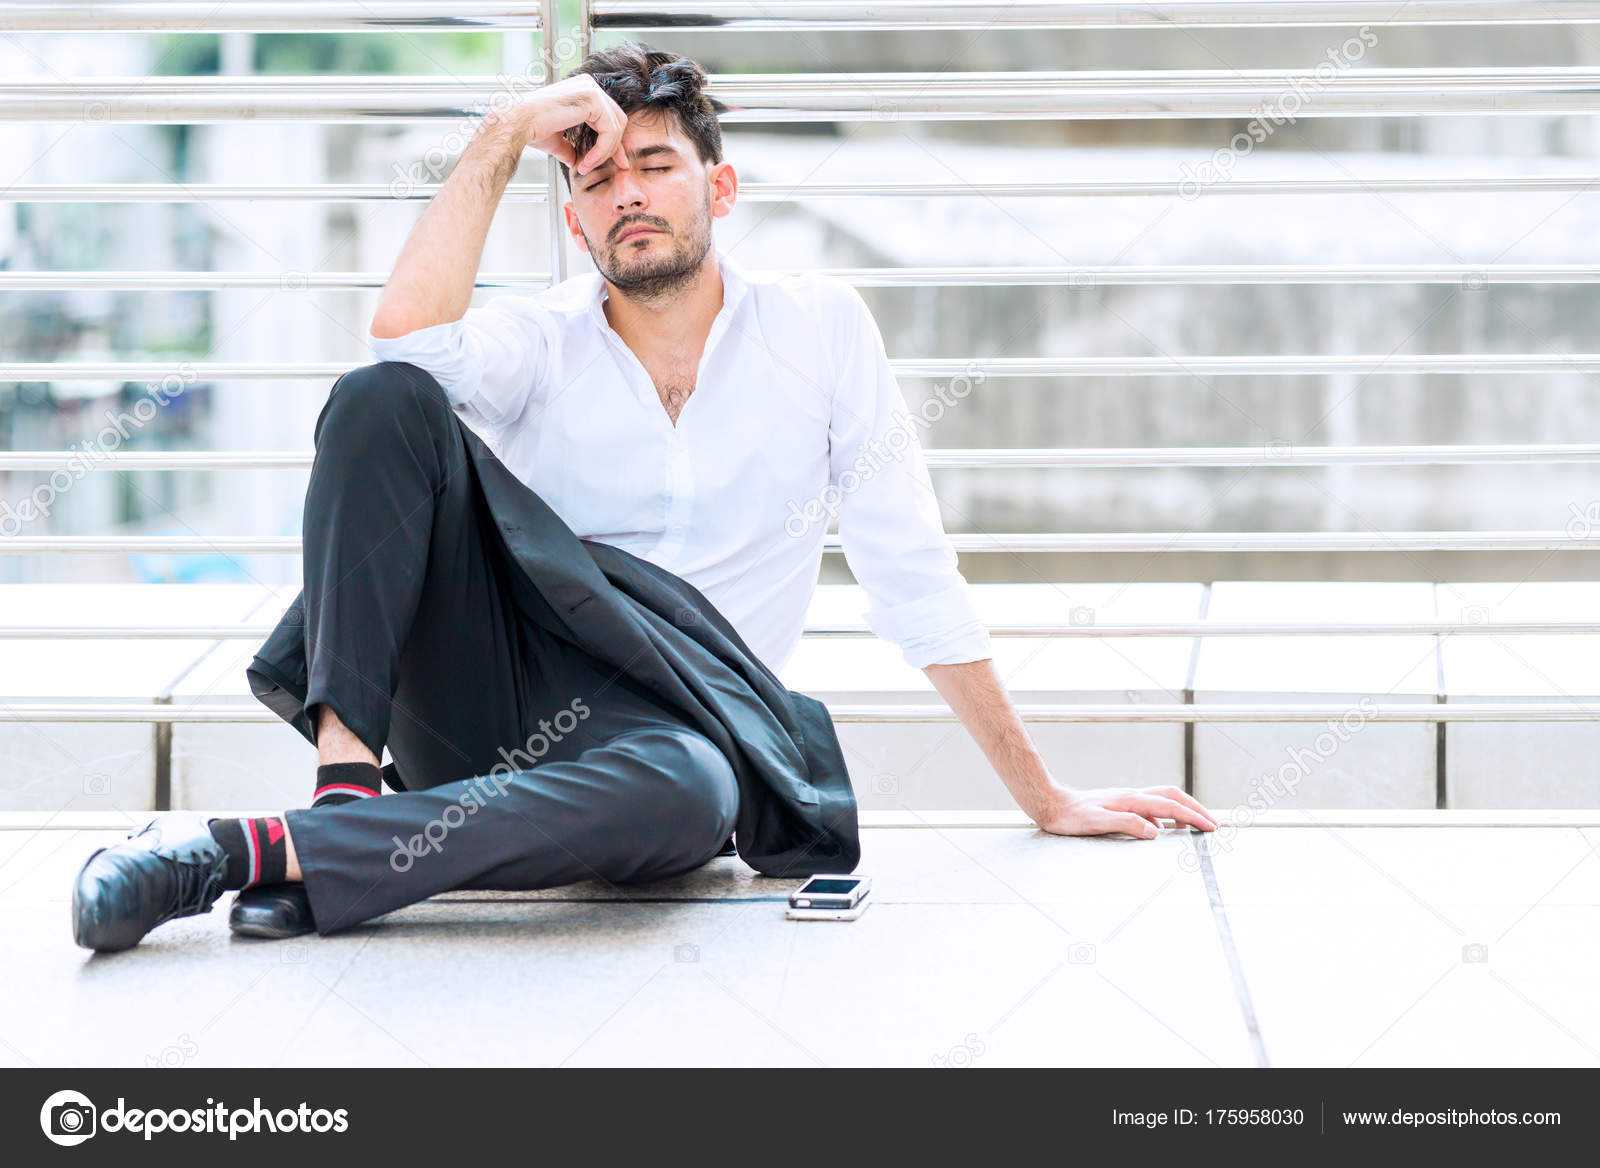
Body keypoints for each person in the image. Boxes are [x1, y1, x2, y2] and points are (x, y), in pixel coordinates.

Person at [71, 43, 1217, 954]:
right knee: (386, 396)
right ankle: (337, 805)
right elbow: (404, 340)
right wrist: (505, 132)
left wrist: (1041, 793)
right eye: (596, 177)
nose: (626, 193)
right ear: (574, 222)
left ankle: (243, 853)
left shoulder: (820, 330)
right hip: (495, 685)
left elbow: (909, 570)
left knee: (693, 793)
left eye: (654, 164)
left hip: (669, 728)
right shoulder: (541, 339)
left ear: (719, 186)